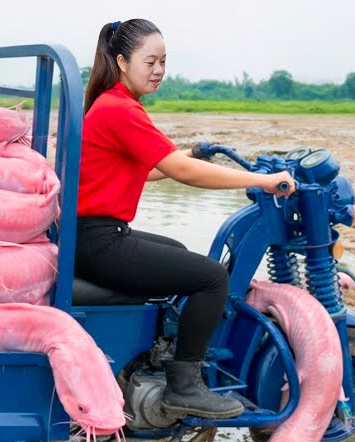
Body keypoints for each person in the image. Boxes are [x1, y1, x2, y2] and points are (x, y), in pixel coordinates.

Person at [76, 18, 295, 420]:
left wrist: (190, 155)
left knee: (176, 251)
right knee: (211, 277)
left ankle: (159, 353)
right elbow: (182, 173)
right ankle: (185, 385)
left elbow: (156, 166)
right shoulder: (119, 109)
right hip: (99, 240)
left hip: (90, 237)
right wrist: (262, 181)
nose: (158, 70)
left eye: (163, 61)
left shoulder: (112, 104)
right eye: (150, 61)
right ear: (122, 61)